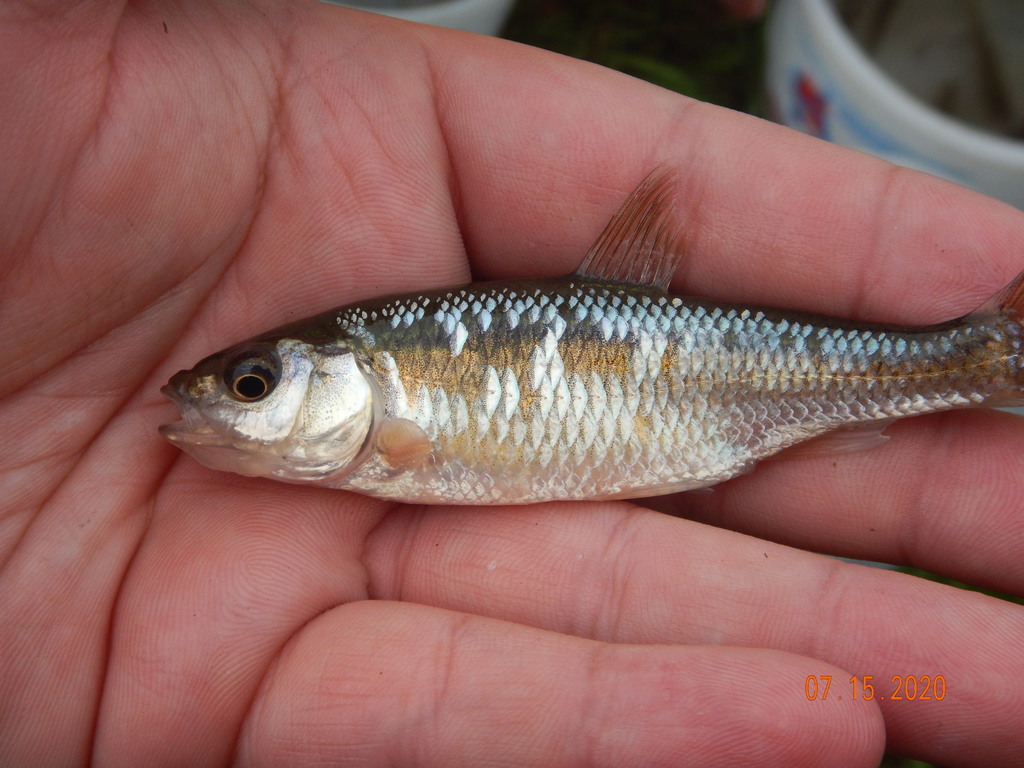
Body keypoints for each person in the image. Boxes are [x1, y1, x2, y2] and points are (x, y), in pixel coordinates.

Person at [1, 1, 1022, 766]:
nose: (223, 404)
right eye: (249, 384)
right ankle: (980, 361)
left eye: (253, 384)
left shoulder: (393, 422)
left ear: (352, 377)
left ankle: (984, 359)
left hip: (701, 388)